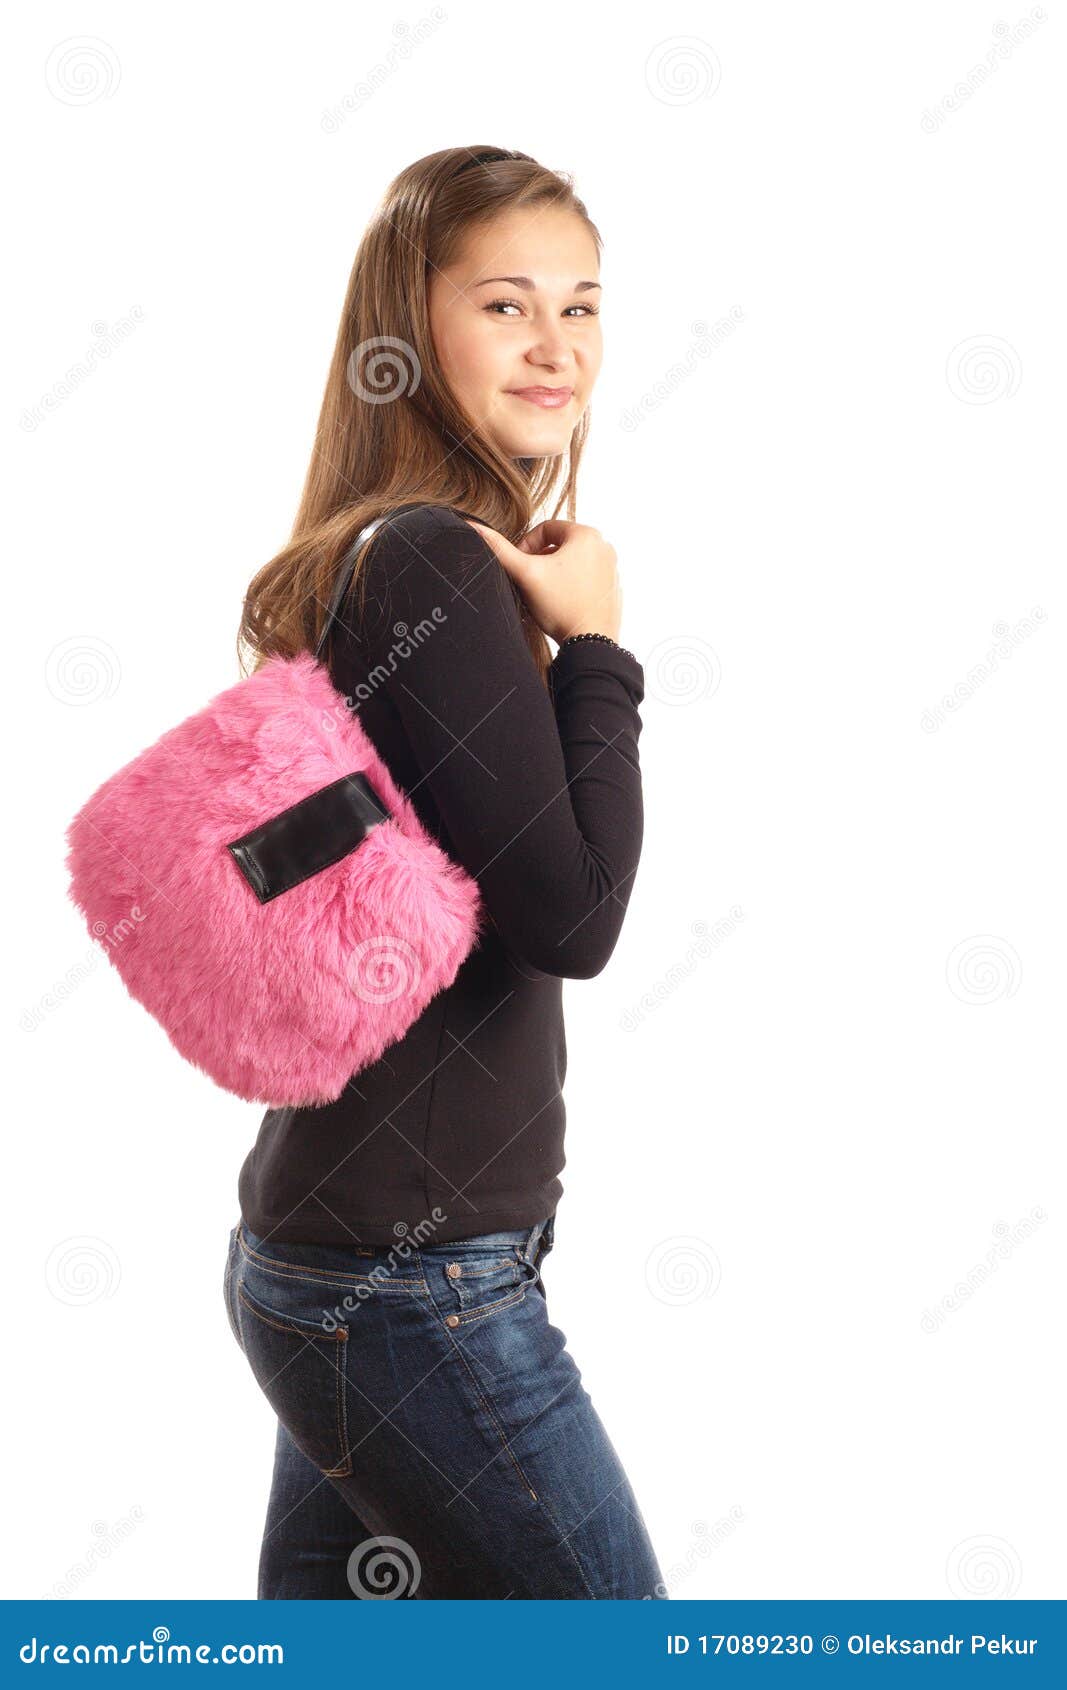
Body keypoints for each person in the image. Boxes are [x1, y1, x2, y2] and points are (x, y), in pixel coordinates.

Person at [223, 145, 666, 1600]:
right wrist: (599, 646)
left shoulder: (390, 555)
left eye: (583, 306)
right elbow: (574, 917)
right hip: (410, 1288)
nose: (559, 347)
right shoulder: (428, 564)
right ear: (409, 335)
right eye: (507, 305)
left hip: (353, 1261)